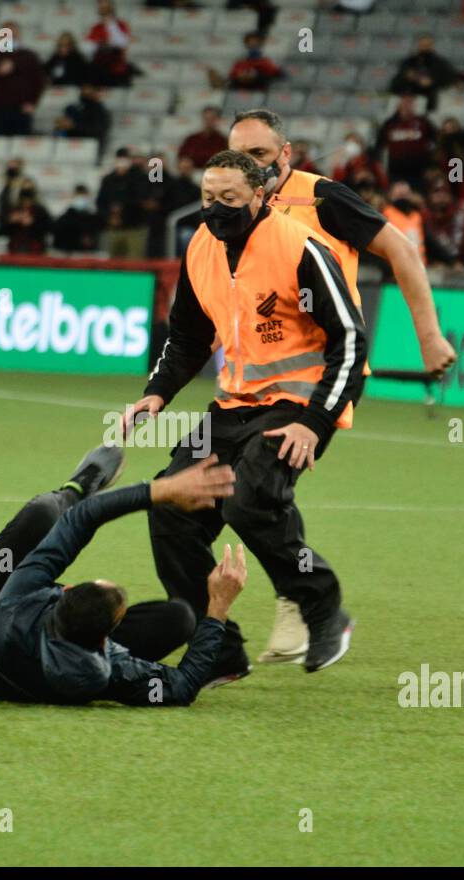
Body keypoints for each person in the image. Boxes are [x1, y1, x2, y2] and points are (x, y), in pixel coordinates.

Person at [124, 149, 368, 681]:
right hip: (232, 405)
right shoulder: (202, 249)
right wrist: (157, 393)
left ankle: (323, 609)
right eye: (208, 198)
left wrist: (315, 422)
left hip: (297, 405)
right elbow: (188, 335)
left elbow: (350, 339)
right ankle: (221, 649)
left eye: (228, 199)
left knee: (249, 499)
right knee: (171, 507)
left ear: (259, 195)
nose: (215, 209)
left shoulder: (300, 247)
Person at [226, 109, 455, 661]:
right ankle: (293, 600)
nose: (251, 166)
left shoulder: (322, 198)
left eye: (261, 155)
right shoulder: (232, 207)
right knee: (244, 494)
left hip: (321, 376)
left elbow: (399, 249)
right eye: (241, 156)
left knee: (256, 488)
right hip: (253, 383)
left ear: (286, 155)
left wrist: (429, 336)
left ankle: (307, 604)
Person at [0, 445, 246, 707]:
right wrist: (217, 608)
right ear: (106, 639)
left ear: (66, 591)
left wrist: (162, 489)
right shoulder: (110, 672)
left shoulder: (20, 596)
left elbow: (80, 517)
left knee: (44, 512)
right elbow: (182, 686)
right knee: (180, 618)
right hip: (37, 663)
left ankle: (73, 490)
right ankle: (74, 491)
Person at [0, 21, 46, 136]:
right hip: (0, 108)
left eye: (13, 33)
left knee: (20, 144)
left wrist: (33, 102)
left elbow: (39, 81)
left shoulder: (29, 56)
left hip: (22, 108)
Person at [52, 185, 103, 252]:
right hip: (68, 255)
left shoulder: (94, 218)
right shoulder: (65, 218)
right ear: (74, 196)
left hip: (89, 255)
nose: (81, 198)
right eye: (79, 195)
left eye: (83, 195)